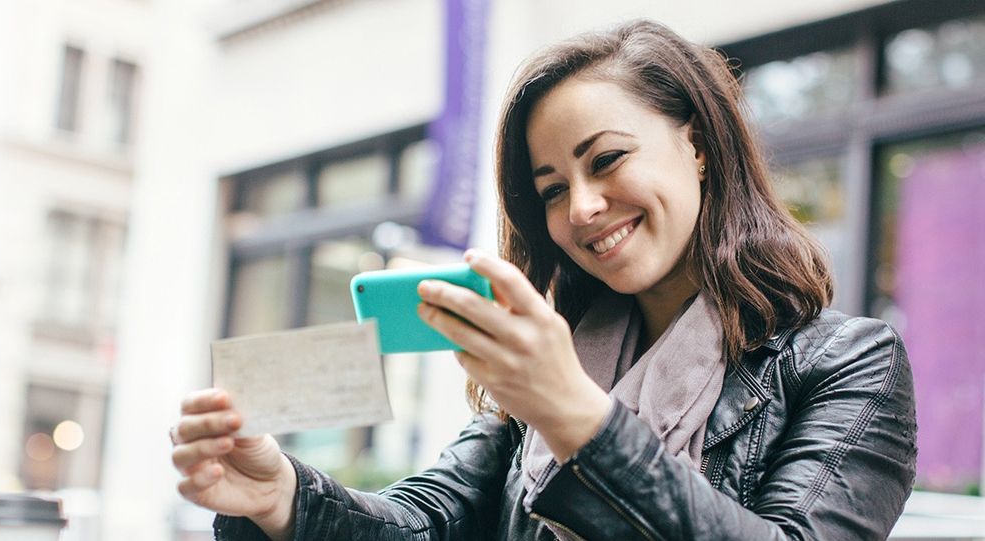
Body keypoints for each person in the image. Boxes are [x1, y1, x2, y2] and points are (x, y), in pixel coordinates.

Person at [170, 19, 917, 540]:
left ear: (696, 145)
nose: (584, 207)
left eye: (607, 159)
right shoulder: (553, 357)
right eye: (552, 188)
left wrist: (578, 417)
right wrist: (284, 496)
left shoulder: (850, 363)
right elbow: (431, 523)